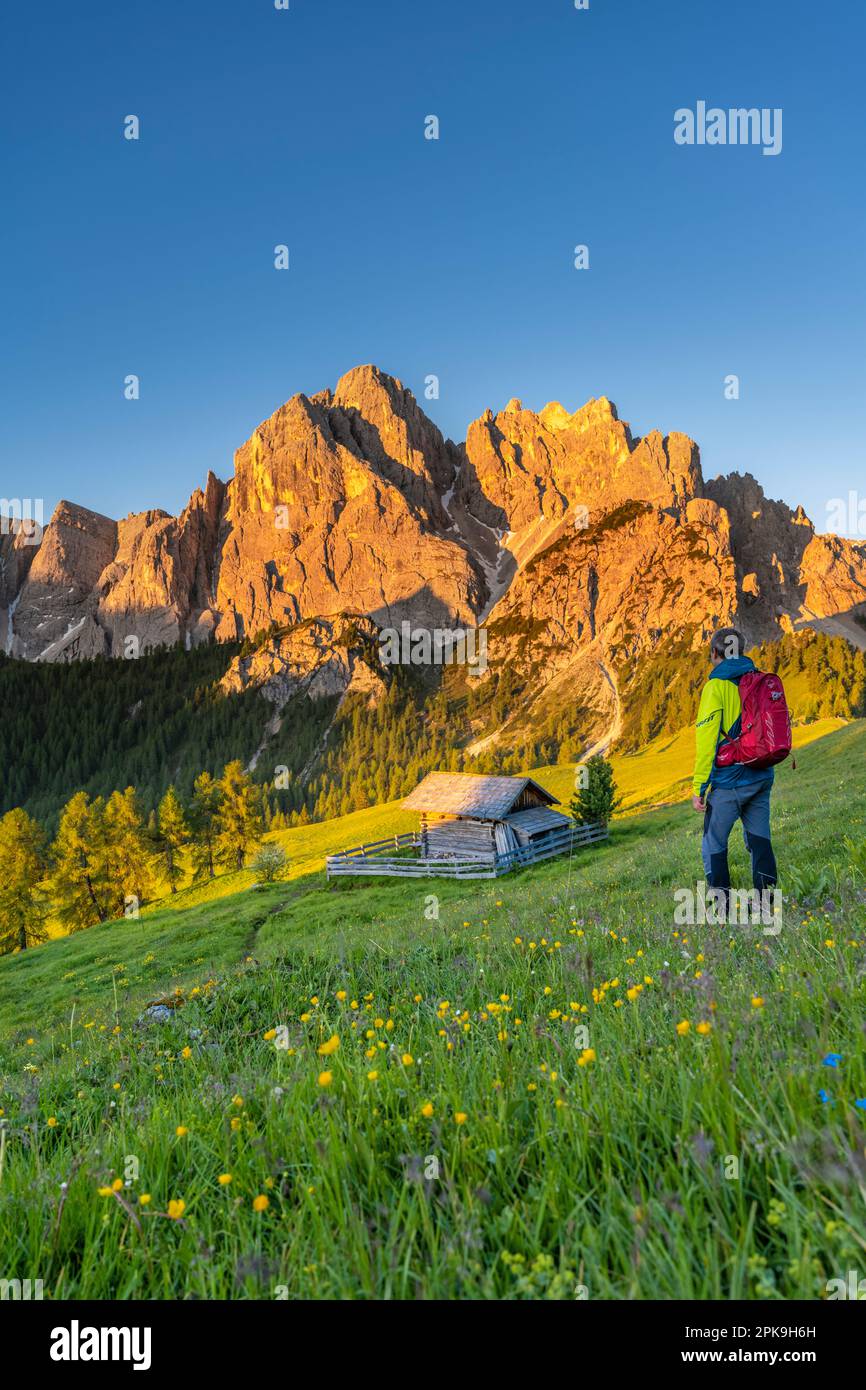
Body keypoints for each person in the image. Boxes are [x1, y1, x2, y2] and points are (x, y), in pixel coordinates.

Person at [691, 627, 777, 894]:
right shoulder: (759, 678)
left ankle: (721, 907)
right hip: (762, 774)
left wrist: (699, 788)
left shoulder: (715, 687)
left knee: (714, 842)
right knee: (759, 839)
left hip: (730, 781)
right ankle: (766, 902)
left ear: (715, 653)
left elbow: (706, 741)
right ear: (741, 651)